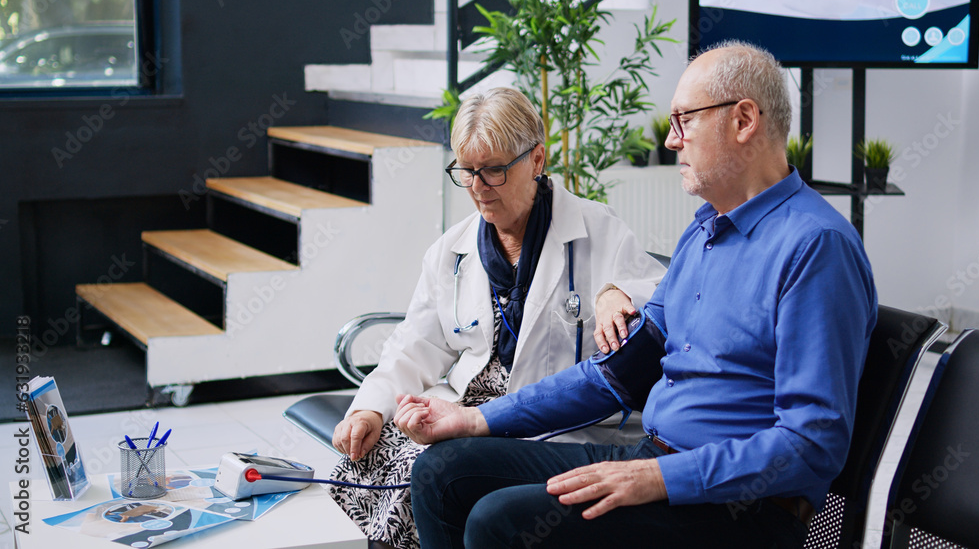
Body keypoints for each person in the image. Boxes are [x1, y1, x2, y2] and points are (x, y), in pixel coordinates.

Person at [396, 41, 878, 549]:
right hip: (655, 458)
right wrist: (474, 418)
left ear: (743, 121)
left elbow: (812, 444)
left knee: (501, 520)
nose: (671, 141)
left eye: (683, 121)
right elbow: (616, 374)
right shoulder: (705, 232)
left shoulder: (816, 248)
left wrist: (657, 480)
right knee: (442, 472)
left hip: (739, 509)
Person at [327, 87, 666, 549]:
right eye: (466, 171)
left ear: (537, 159)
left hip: (553, 424)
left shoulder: (596, 230)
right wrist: (371, 405)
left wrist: (615, 291)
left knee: (430, 473)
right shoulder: (452, 250)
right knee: (371, 455)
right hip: (466, 407)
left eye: (494, 171)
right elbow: (415, 343)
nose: (478, 188)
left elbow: (661, 296)